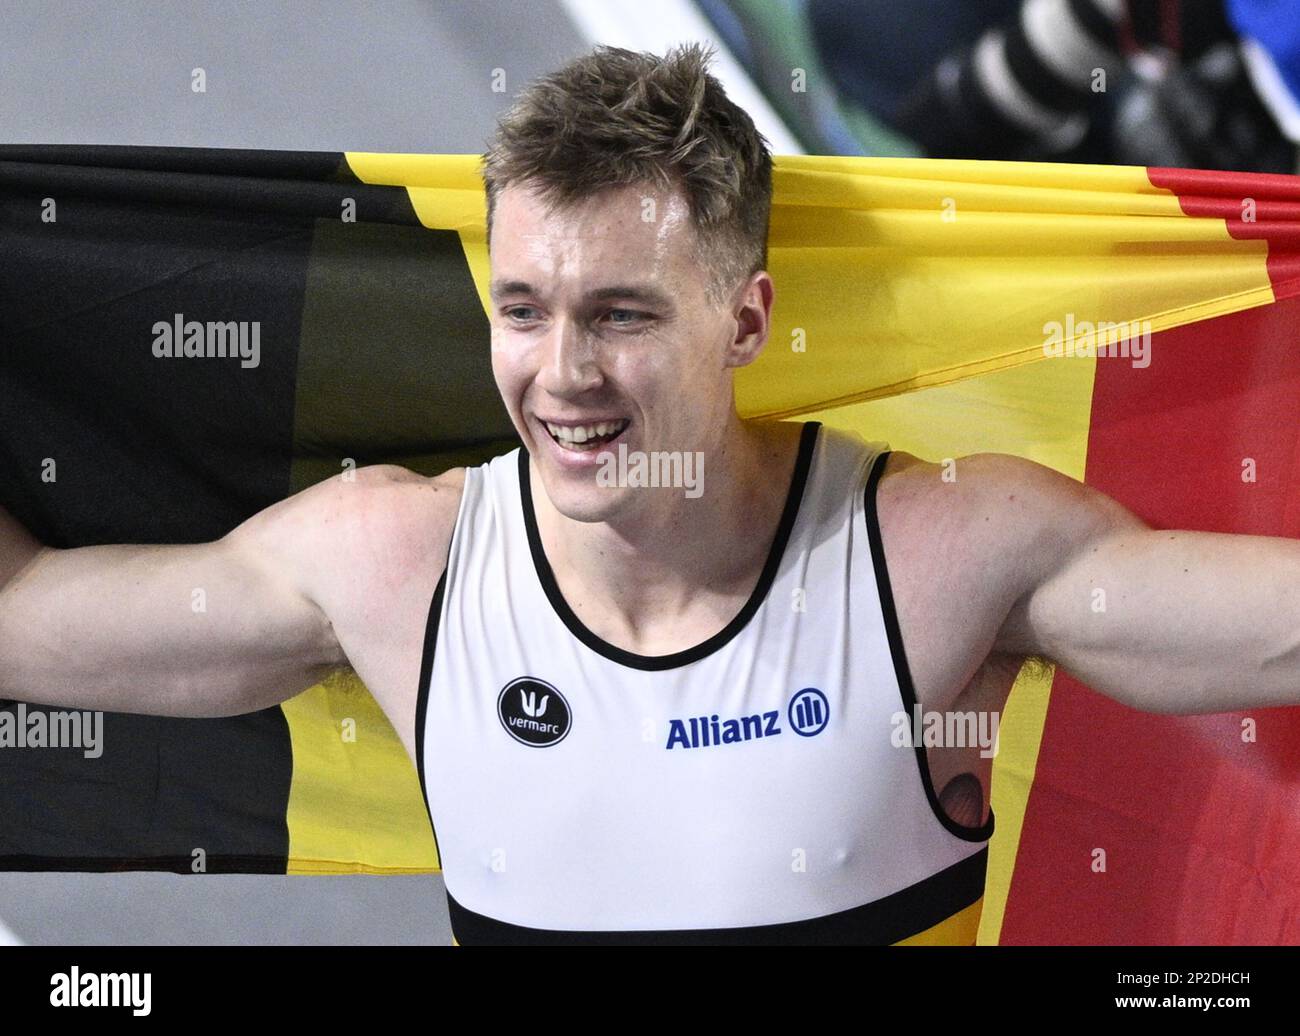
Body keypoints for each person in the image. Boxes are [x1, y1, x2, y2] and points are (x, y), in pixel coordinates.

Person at [3, 42, 1299, 945]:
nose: (561, 376)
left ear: (745, 322)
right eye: (524, 310)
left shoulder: (942, 557)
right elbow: (22, 619)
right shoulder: (389, 568)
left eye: (620, 315)